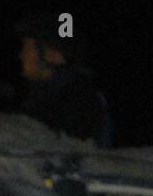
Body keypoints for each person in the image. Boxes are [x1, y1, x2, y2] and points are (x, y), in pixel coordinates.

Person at [14, 12, 114, 146]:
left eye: (27, 48)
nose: (21, 55)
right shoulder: (45, 98)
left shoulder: (80, 103)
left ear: (52, 55)